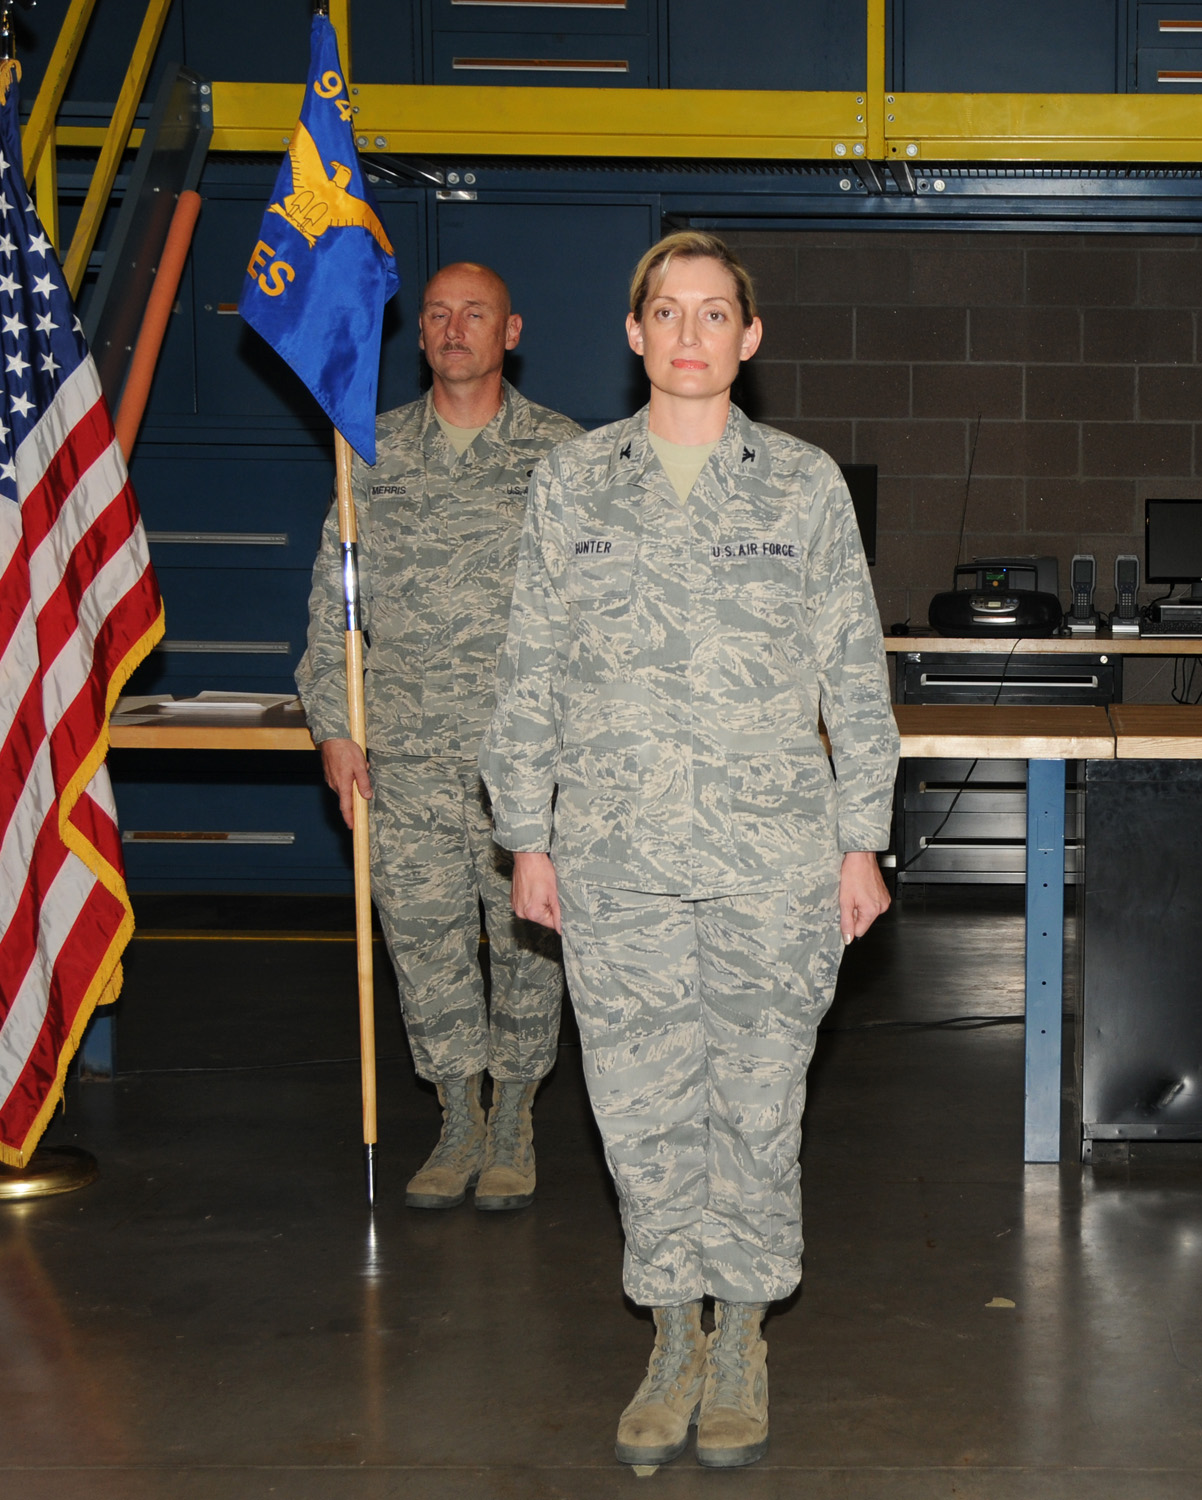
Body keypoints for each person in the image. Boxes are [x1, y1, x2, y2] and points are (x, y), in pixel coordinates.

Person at [480, 230, 899, 1471]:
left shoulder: (803, 486)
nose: (690, 335)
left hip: (777, 858)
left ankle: (746, 1335)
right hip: (615, 859)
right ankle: (672, 1332)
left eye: (715, 314)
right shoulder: (571, 484)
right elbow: (528, 672)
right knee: (642, 1108)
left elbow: (856, 681)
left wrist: (862, 842)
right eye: (667, 312)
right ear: (634, 333)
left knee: (760, 1107)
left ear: (749, 338)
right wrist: (526, 838)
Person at [296, 262, 580, 1213]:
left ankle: (514, 1117)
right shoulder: (366, 454)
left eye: (477, 315)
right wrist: (336, 730)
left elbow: (597, 617)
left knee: (528, 946)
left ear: (512, 332)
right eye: (437, 315)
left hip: (522, 770)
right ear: (418, 335)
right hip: (404, 761)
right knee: (422, 945)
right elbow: (332, 615)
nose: (454, 328)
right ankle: (457, 1115)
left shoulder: (564, 457)